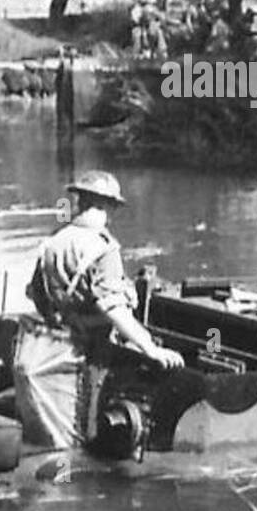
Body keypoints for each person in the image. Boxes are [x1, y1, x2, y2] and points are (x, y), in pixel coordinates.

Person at [21, 171, 183, 448]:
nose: (111, 217)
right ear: (104, 206)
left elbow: (36, 294)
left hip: (56, 347)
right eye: (111, 210)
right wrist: (151, 349)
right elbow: (114, 309)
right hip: (93, 352)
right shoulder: (102, 249)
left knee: (58, 423)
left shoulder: (53, 242)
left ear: (80, 202)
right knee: (87, 424)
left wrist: (64, 319)